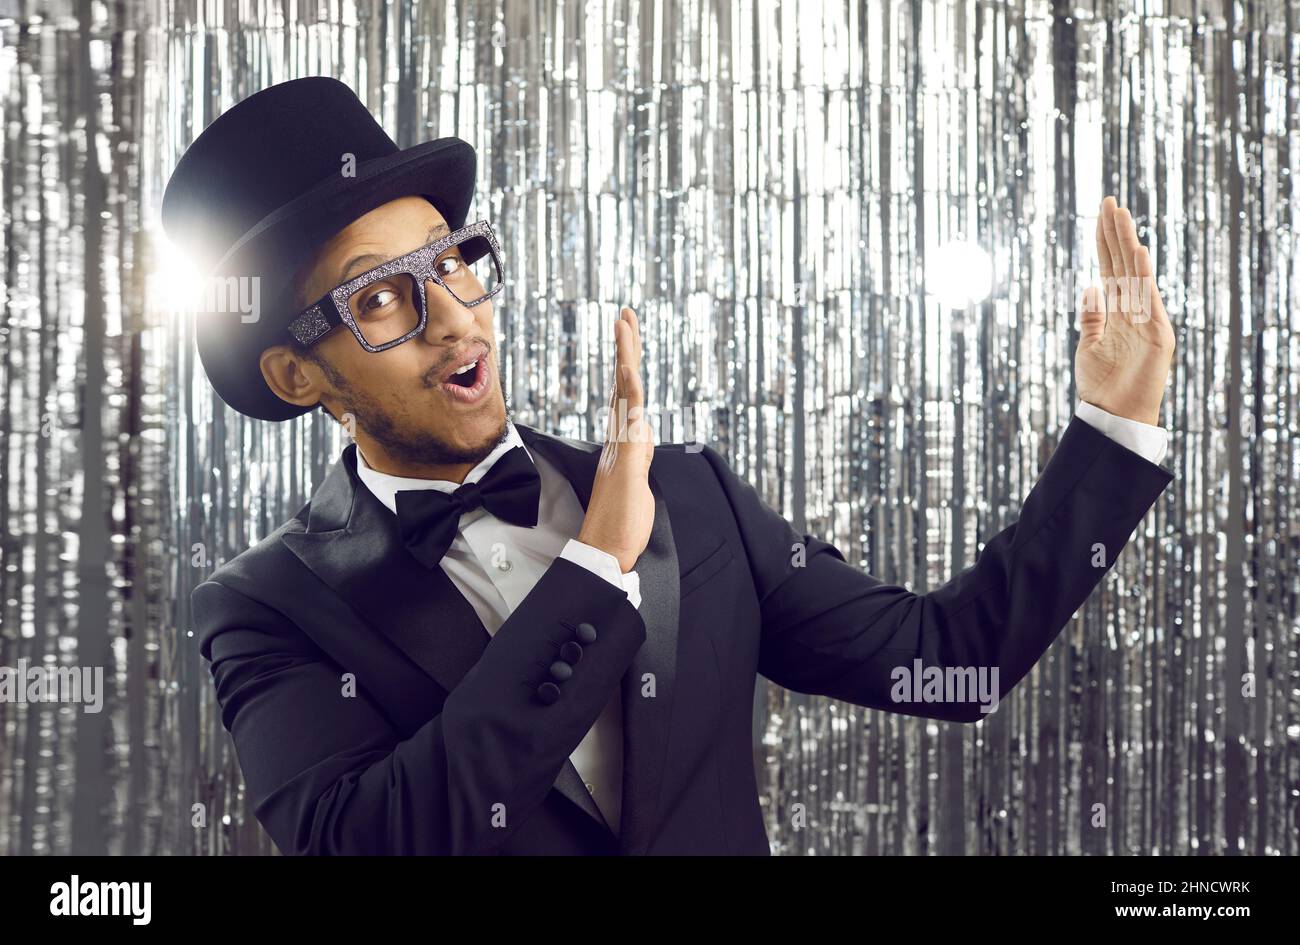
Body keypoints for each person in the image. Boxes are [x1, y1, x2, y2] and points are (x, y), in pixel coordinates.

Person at [163, 76, 1176, 855]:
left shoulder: (688, 494)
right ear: (300, 375)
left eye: (449, 260)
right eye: (379, 299)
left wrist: (1111, 430)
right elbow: (375, 838)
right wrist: (595, 568)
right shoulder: (265, 606)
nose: (453, 315)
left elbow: (954, 660)